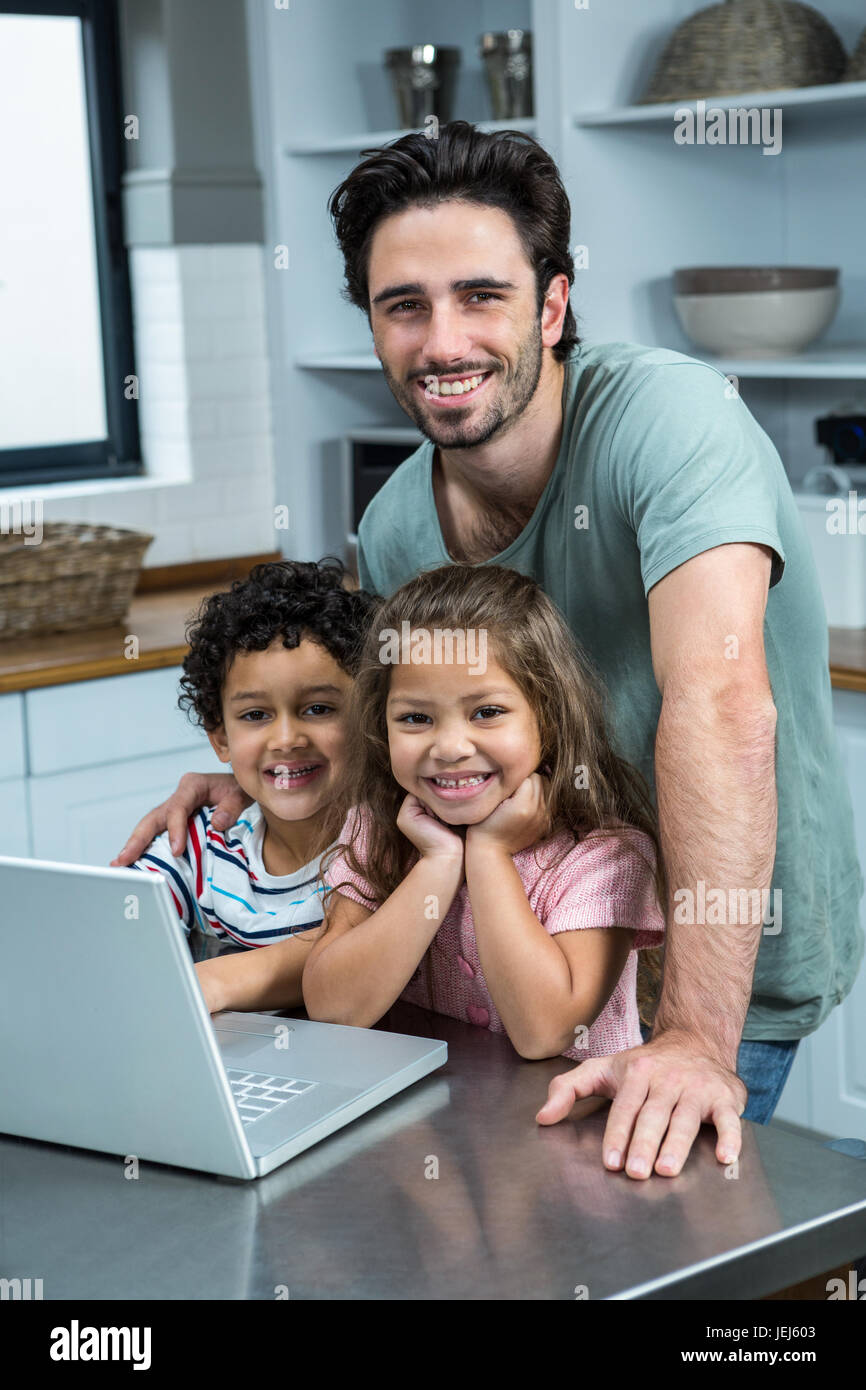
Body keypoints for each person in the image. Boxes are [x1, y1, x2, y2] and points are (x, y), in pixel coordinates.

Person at [114, 121, 864, 1182]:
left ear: (550, 308)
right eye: (403, 306)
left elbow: (718, 701)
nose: (442, 341)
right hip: (496, 986)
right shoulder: (393, 529)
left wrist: (695, 1034)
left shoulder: (667, 420)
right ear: (372, 326)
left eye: (481, 296)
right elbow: (399, 734)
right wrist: (263, 773)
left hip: (706, 969)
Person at [197, 563, 667, 1059]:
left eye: (486, 712)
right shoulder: (376, 829)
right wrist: (437, 864)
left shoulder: (607, 858)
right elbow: (334, 1007)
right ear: (380, 726)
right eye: (416, 718)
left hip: (565, 1130)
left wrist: (488, 853)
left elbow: (544, 1033)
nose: (449, 747)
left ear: (548, 716)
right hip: (433, 1122)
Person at [122, 557, 376, 1010]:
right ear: (221, 737)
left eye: (318, 708)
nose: (286, 739)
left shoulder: (385, 845)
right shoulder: (205, 845)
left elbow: (344, 952)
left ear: (370, 716)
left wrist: (218, 981)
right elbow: (113, 923)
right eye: (255, 716)